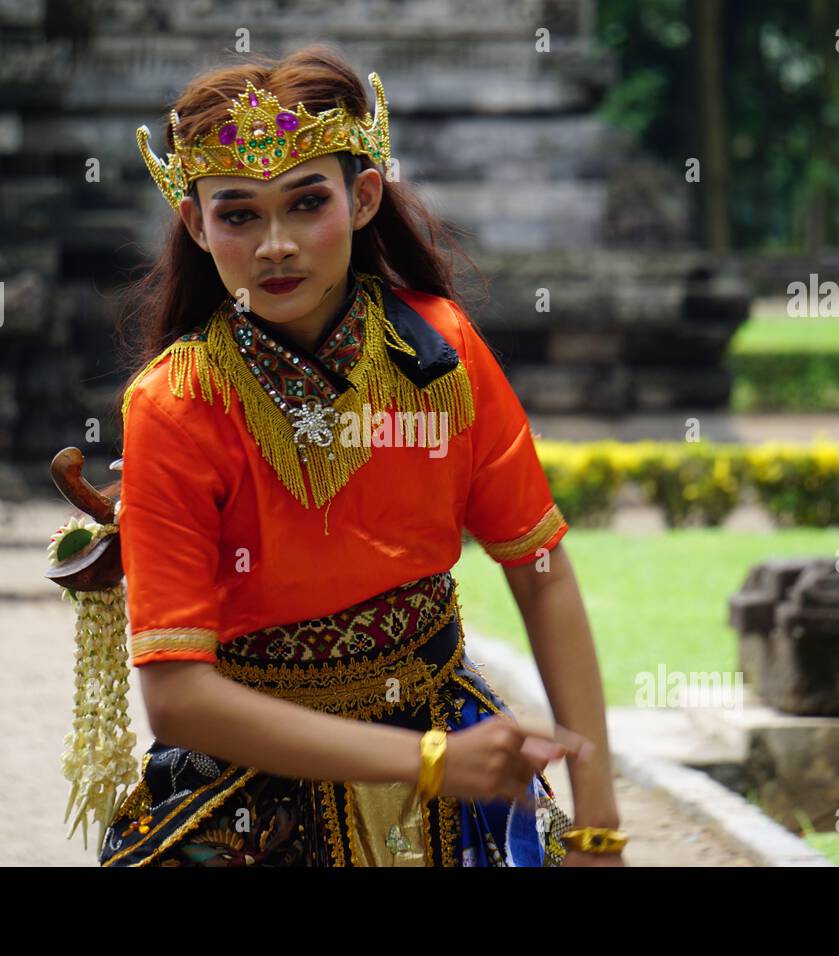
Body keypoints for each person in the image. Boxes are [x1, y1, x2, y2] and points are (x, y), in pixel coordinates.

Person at [100, 44, 626, 867]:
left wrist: (598, 821)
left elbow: (539, 567)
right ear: (197, 225)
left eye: (307, 203)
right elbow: (177, 700)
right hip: (253, 780)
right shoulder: (173, 406)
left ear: (364, 195)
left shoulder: (444, 354)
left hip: (446, 729)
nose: (277, 245)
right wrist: (427, 765)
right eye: (239, 214)